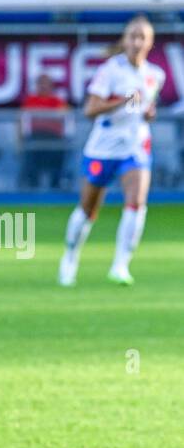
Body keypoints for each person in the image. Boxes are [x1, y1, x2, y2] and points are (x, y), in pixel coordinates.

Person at [59, 16, 163, 287]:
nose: (137, 42)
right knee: (88, 209)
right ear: (125, 40)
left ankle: (120, 265)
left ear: (150, 43)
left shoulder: (154, 75)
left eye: (143, 37)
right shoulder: (110, 70)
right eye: (133, 36)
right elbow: (90, 109)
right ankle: (70, 257)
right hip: (104, 148)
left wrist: (149, 113)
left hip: (135, 145)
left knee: (137, 202)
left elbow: (144, 113)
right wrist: (120, 102)